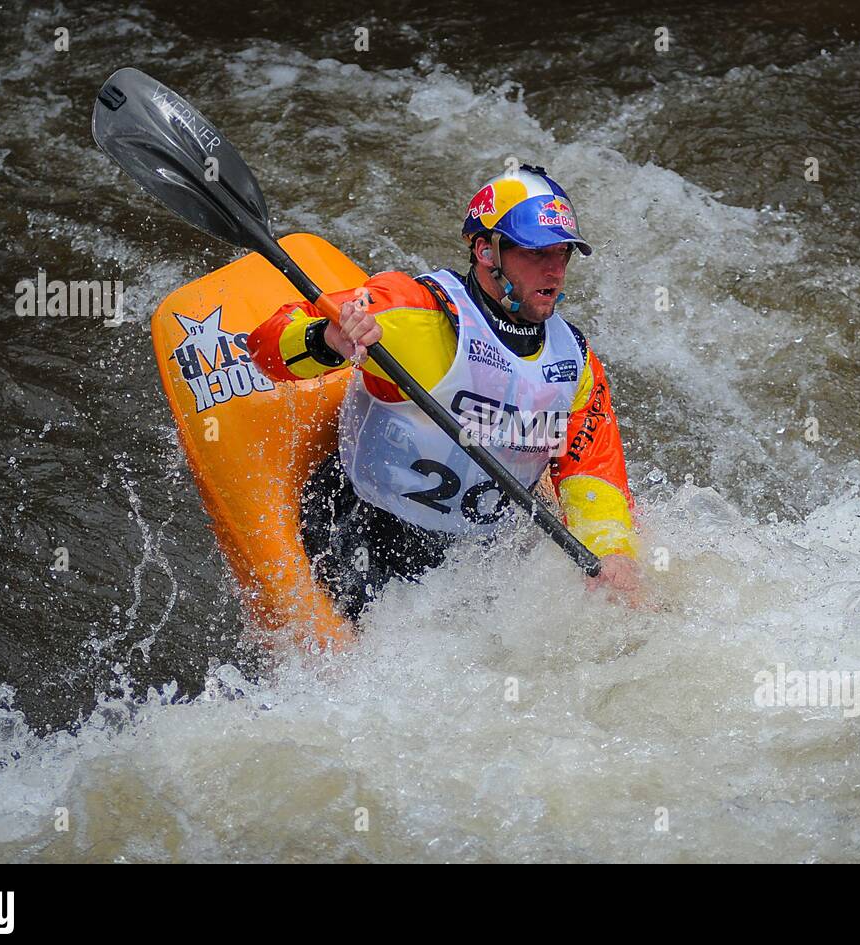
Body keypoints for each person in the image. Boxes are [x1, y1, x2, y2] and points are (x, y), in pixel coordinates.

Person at [248, 164, 641, 621]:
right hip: (366, 527)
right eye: (537, 254)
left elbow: (592, 472)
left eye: (564, 253)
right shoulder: (413, 311)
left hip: (480, 557)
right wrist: (329, 340)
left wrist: (613, 553)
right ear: (486, 251)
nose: (556, 270)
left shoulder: (575, 362)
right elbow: (266, 343)